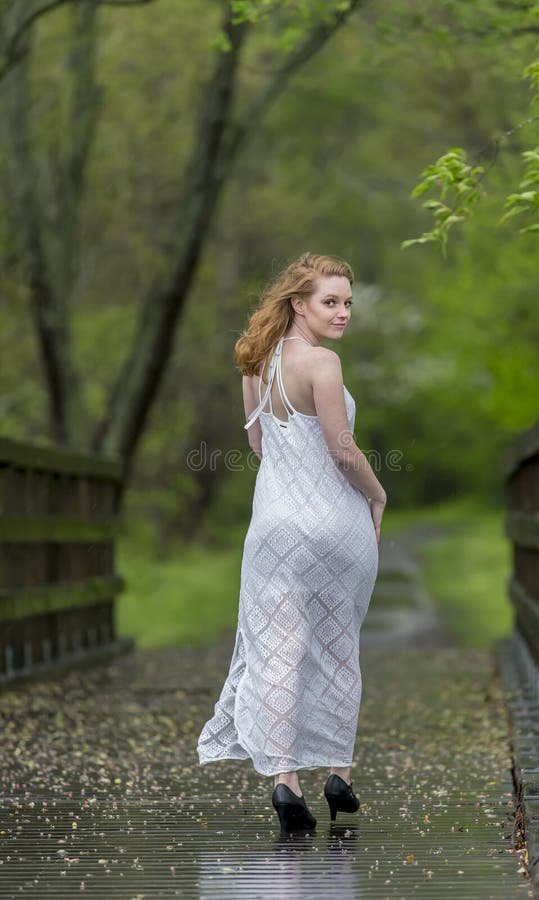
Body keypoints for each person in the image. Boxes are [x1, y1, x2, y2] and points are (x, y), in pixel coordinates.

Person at [196, 252, 387, 832]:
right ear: (299, 303)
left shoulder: (256, 361)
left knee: (280, 648)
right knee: (336, 646)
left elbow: (258, 445)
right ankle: (340, 777)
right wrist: (379, 496)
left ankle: (286, 786)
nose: (343, 312)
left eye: (348, 302)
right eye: (330, 301)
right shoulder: (323, 365)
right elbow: (343, 451)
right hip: (334, 525)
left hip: (275, 527)